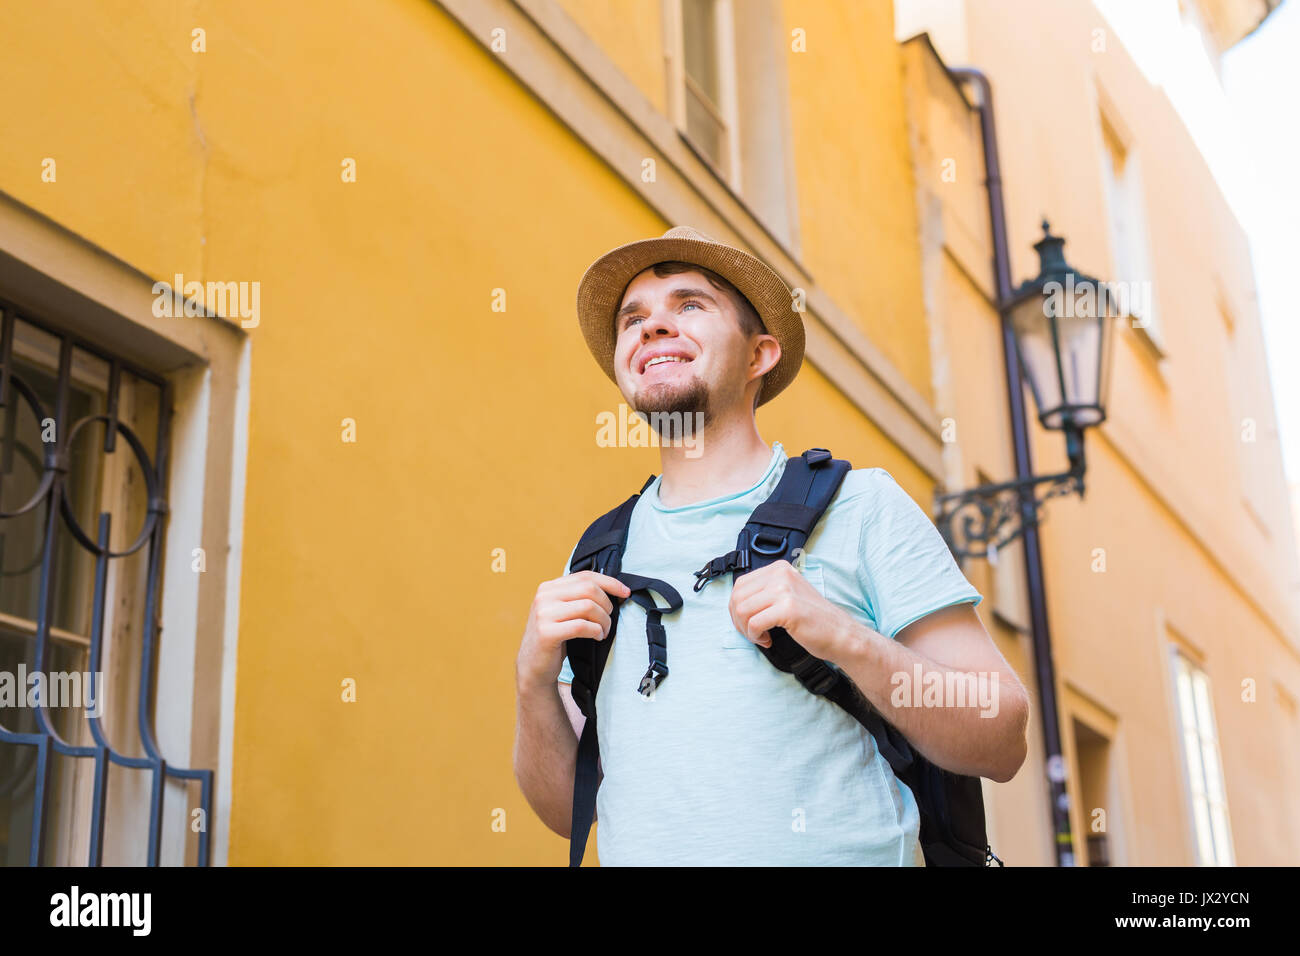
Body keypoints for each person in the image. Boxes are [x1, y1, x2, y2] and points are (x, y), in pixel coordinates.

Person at [513, 226, 1029, 865]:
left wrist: (841, 636)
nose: (651, 327)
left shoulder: (861, 506)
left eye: (690, 305)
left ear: (760, 355)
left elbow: (1001, 738)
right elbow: (567, 812)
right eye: (633, 319)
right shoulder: (598, 556)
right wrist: (532, 679)